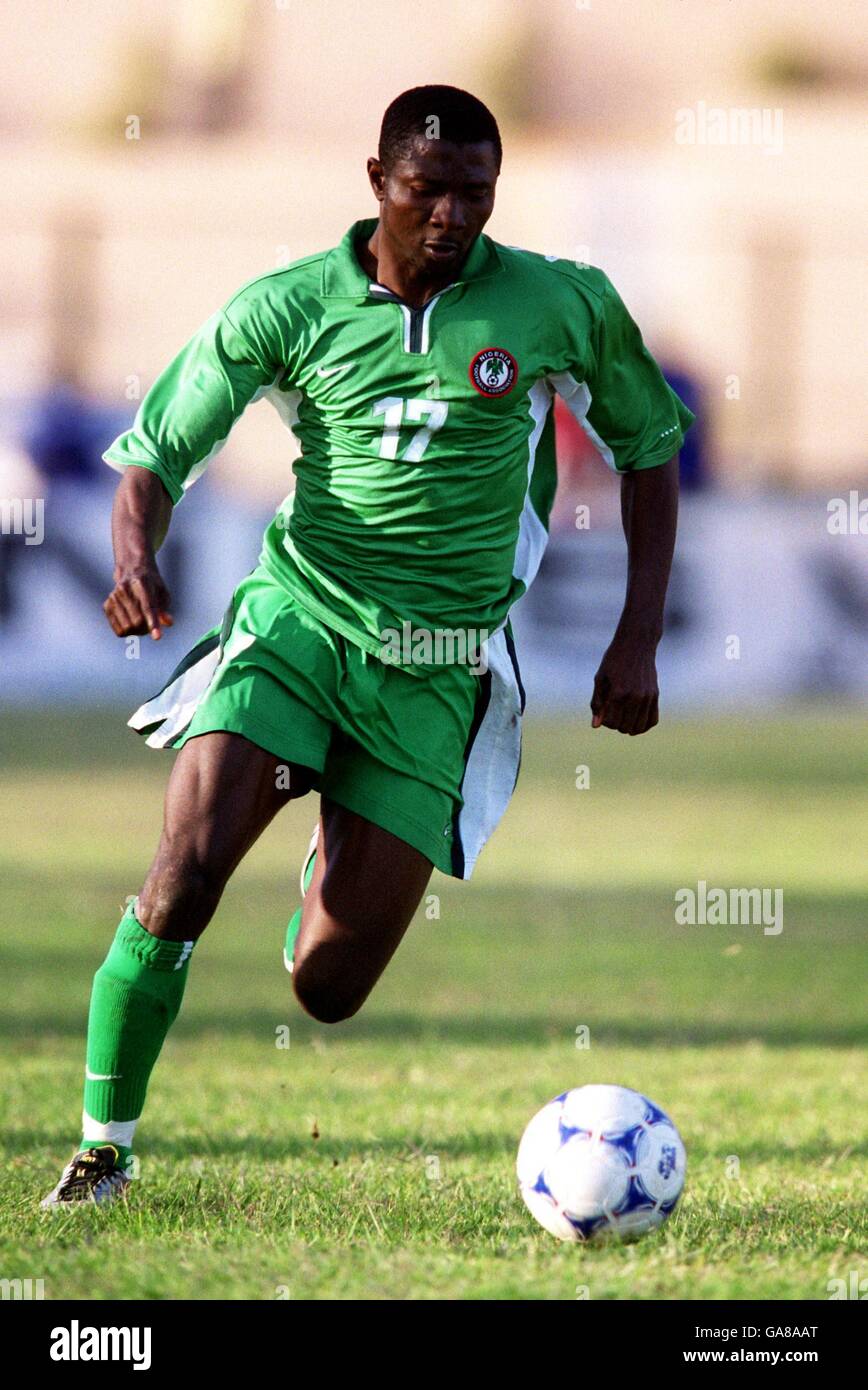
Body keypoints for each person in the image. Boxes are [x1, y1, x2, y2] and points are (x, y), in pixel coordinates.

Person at [42, 85, 693, 1205]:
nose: (452, 214)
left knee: (329, 988)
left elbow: (650, 446)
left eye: (475, 193)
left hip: (440, 668)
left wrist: (637, 638)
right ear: (376, 182)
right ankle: (104, 1146)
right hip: (298, 622)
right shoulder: (287, 306)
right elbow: (156, 450)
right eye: (427, 189)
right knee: (184, 873)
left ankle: (333, 821)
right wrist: (134, 558)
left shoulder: (558, 304)